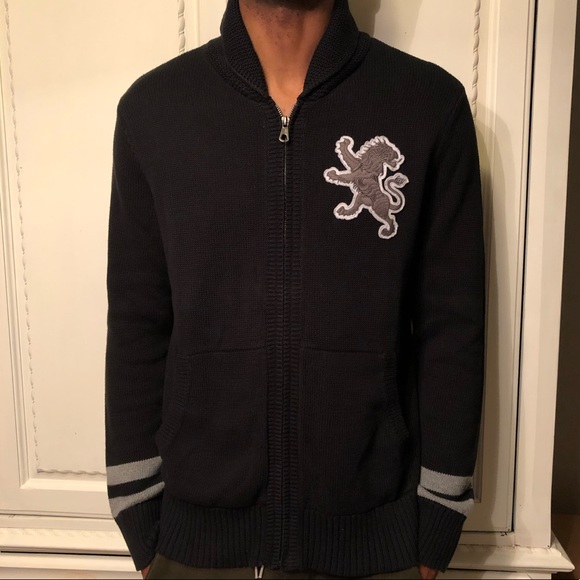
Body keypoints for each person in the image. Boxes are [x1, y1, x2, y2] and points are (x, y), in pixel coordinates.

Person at [104, 0, 486, 579]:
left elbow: (453, 322)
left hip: (381, 542)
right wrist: (137, 506)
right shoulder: (154, 111)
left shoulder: (427, 104)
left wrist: (440, 510)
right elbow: (138, 317)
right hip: (188, 542)